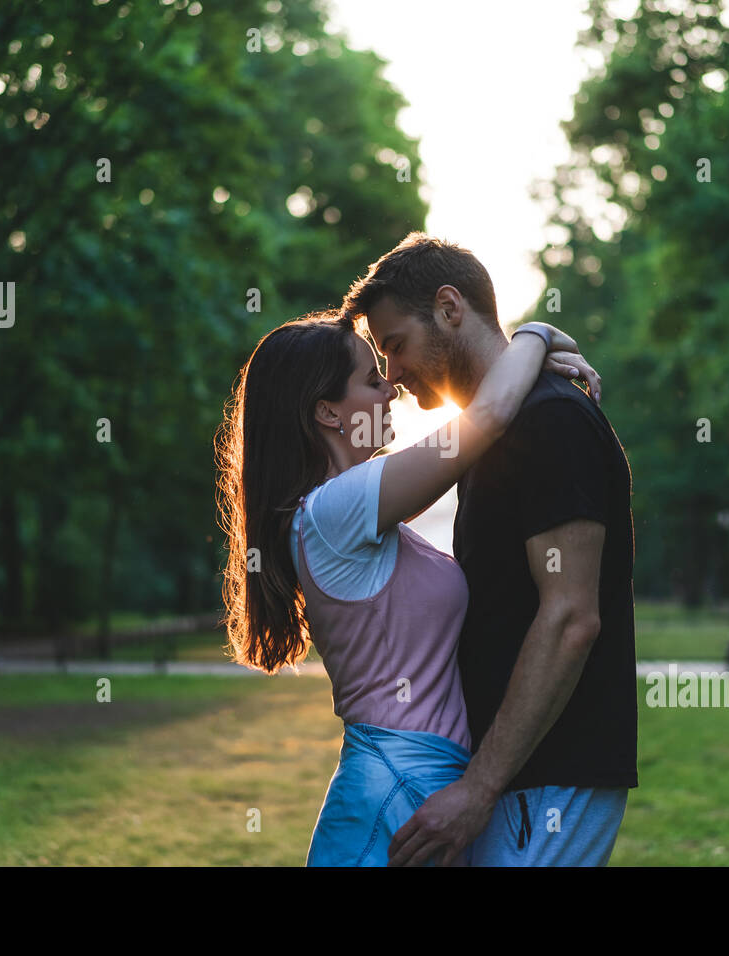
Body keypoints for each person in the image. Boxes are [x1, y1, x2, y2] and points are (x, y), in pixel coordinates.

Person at [215, 306, 600, 866]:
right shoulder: (337, 510)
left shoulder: (356, 514)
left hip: (416, 783)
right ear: (327, 412)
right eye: (372, 379)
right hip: (394, 788)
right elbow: (487, 417)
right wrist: (535, 336)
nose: (391, 390)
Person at [340, 233, 638, 867]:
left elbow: (570, 619)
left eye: (395, 346)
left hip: (546, 780)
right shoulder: (492, 434)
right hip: (514, 778)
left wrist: (479, 787)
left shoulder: (549, 420)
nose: (391, 375)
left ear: (450, 308)